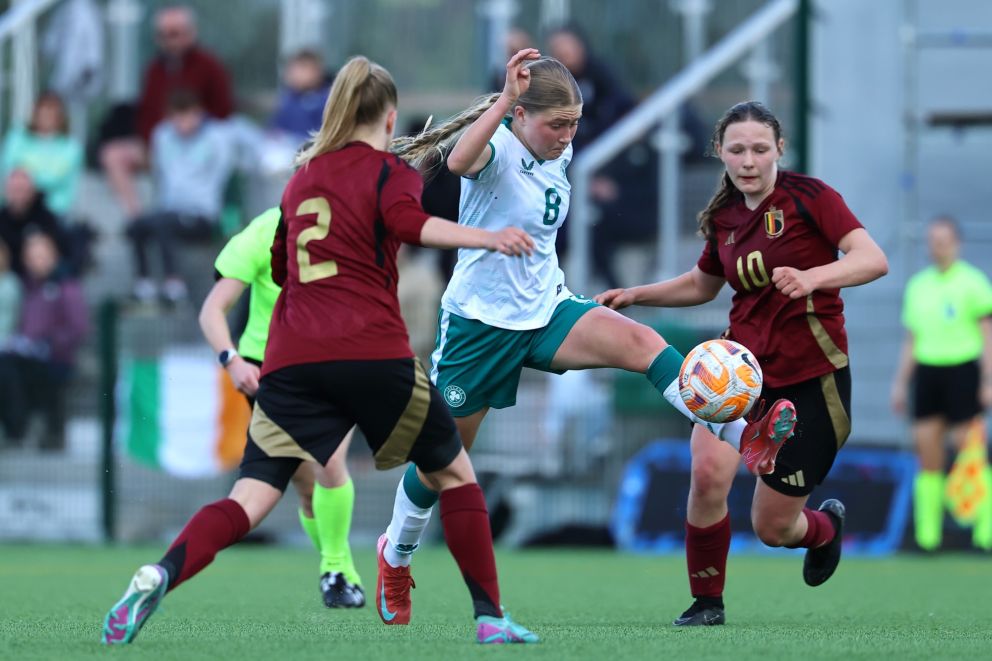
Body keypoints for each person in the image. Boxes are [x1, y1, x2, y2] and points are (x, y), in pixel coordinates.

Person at [102, 54, 540, 646]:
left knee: (249, 498)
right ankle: (489, 617)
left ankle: (160, 572)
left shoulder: (301, 180)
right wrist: (486, 236)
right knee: (456, 474)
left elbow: (284, 266)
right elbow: (412, 226)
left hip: (291, 360)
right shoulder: (389, 173)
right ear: (389, 118)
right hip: (370, 351)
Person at [379, 52, 799, 623]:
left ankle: (745, 427)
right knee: (441, 460)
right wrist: (503, 100)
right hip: (480, 325)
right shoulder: (500, 144)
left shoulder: (562, 146)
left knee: (643, 346)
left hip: (548, 308)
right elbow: (457, 161)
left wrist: (560, 131)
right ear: (521, 115)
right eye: (557, 125)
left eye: (574, 123)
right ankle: (396, 554)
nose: (567, 136)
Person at [595, 101, 889, 626]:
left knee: (773, 529)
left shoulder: (811, 198)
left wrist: (813, 277)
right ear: (719, 153)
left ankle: (824, 529)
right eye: (736, 149)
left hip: (809, 380)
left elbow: (872, 258)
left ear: (780, 149)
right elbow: (702, 284)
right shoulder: (725, 216)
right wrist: (639, 293)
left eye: (759, 148)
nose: (748, 160)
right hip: (739, 373)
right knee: (707, 475)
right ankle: (707, 603)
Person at [199, 207, 364, 607]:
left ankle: (335, 567)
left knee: (329, 462)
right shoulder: (262, 231)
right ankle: (338, 570)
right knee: (306, 487)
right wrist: (231, 360)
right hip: (267, 372)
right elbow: (212, 310)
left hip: (334, 364)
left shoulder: (354, 225)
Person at [891, 216, 992, 551]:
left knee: (970, 451)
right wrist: (901, 384)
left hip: (963, 370)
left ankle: (984, 532)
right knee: (927, 451)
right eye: (933, 240)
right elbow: (910, 339)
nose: (938, 246)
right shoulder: (919, 286)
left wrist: (988, 379)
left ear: (957, 242)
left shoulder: (974, 283)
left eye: (944, 239)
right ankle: (927, 537)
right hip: (928, 372)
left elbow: (987, 334)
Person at [99, 4, 233, 218]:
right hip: (158, 144)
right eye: (164, 34)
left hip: (195, 148)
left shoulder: (210, 66)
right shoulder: (154, 69)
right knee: (113, 155)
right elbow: (145, 112)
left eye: (175, 33)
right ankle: (139, 220)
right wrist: (146, 143)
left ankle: (195, 218)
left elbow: (223, 111)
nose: (170, 40)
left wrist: (194, 127)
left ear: (191, 32)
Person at [126, 89, 236, 304]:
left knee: (164, 224)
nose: (182, 123)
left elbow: (223, 172)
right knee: (136, 226)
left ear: (199, 114)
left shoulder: (217, 138)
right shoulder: (162, 135)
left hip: (201, 214)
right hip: (170, 210)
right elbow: (160, 172)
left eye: (188, 116)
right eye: (177, 117)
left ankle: (173, 284)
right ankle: (144, 284)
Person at [0, 232, 88, 451]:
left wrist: (48, 344)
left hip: (55, 358)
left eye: (42, 255)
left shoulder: (66, 287)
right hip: (28, 357)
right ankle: (15, 429)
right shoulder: (29, 287)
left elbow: (78, 328)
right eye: (32, 256)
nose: (37, 261)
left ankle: (18, 430)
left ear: (54, 255)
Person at [1, 92, 83, 217]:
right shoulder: (17, 138)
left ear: (60, 118)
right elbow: (7, 169)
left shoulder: (70, 147)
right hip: (15, 208)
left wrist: (26, 179)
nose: (46, 118)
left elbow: (56, 178)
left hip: (53, 210)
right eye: (43, 113)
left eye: (51, 114)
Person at [0, 169, 67, 277]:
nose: (18, 195)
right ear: (6, 192)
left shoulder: (46, 218)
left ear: (32, 191)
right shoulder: (2, 219)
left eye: (22, 189)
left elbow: (59, 251)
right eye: (14, 189)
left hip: (45, 277)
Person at [270, 49, 332, 144]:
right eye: (292, 70)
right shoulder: (289, 97)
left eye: (300, 69)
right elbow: (275, 128)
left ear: (316, 71)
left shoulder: (328, 98)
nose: (293, 75)